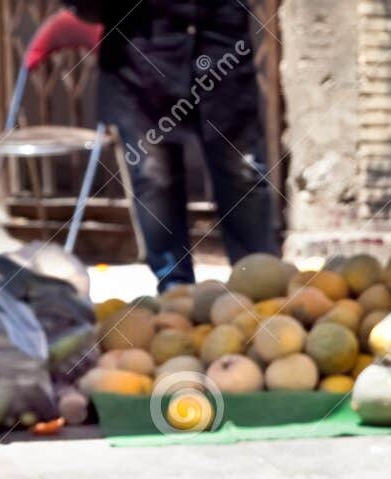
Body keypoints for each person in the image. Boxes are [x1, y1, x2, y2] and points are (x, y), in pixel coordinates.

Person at [69, 1, 278, 288]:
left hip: (221, 52)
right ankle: (175, 292)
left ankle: (263, 288)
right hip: (139, 63)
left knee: (242, 175)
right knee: (155, 180)